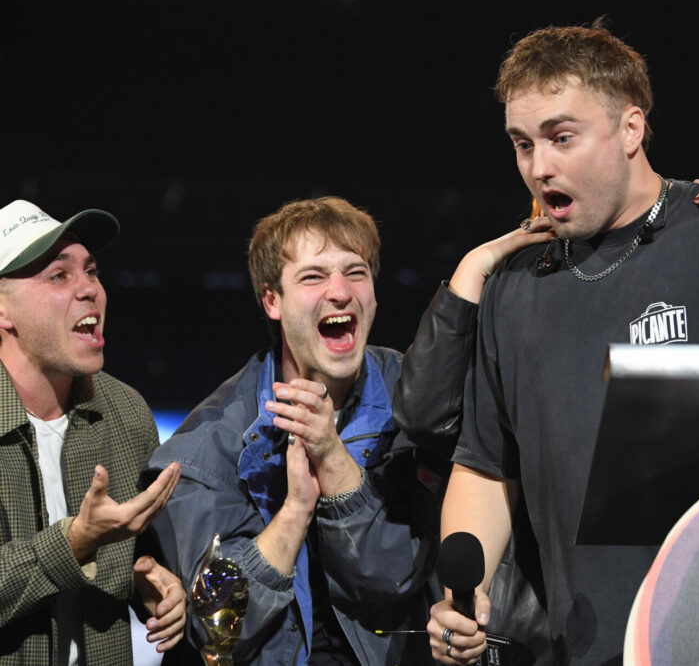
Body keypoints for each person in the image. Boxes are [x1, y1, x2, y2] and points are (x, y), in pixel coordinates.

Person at [428, 23, 699, 665]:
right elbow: (485, 467)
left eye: (561, 137)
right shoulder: (515, 289)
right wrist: (459, 595)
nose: (538, 166)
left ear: (631, 129)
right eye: (522, 144)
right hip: (595, 649)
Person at [146, 196, 554, 665]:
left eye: (356, 273)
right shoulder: (207, 447)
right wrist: (296, 510)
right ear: (272, 300)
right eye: (314, 276)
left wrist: (333, 460)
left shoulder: (422, 409)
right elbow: (219, 627)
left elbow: (394, 574)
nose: (340, 292)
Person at [0, 199, 186, 664]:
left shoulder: (125, 414)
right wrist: (74, 543)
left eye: (92, 270)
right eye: (59, 275)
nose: (90, 290)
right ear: (4, 311)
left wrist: (151, 582)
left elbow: (140, 558)